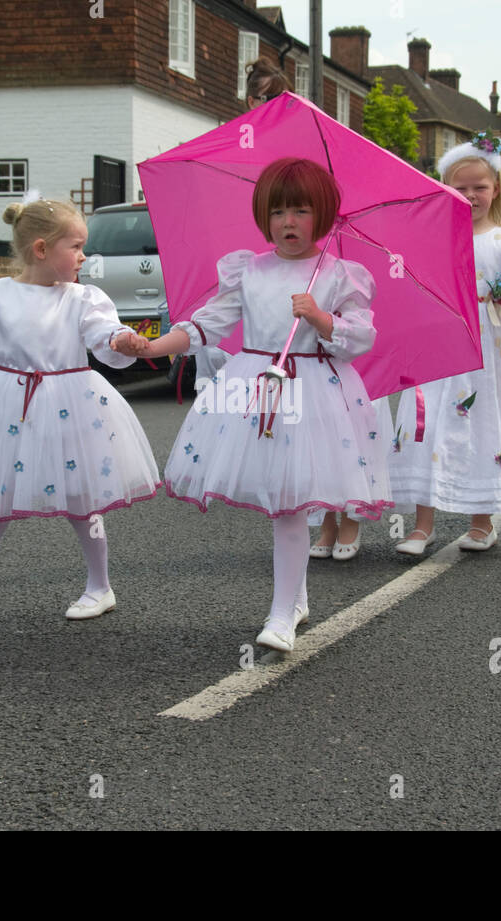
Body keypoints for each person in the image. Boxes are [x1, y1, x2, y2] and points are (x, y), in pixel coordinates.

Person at [139, 158, 392, 651]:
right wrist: (153, 347)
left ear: (324, 214)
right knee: (282, 499)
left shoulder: (341, 275)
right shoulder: (248, 270)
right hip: (255, 388)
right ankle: (293, 601)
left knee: (289, 504)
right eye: (277, 212)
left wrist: (320, 318)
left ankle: (281, 614)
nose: (288, 222)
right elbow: (208, 323)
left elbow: (361, 337)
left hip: (312, 392)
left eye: (301, 210)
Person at [0, 194, 160, 628]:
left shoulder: (81, 298)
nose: (84, 256)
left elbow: (102, 332)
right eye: (75, 246)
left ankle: (99, 586)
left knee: (81, 502)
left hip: (69, 406)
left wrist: (120, 339)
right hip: (6, 408)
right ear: (41, 249)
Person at [387, 136, 501, 554]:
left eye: (480, 186)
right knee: (430, 424)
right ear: (444, 189)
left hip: (486, 348)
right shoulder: (429, 236)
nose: (471, 195)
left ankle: (482, 521)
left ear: (496, 189)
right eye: (461, 187)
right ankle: (422, 525)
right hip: (437, 342)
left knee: (482, 422)